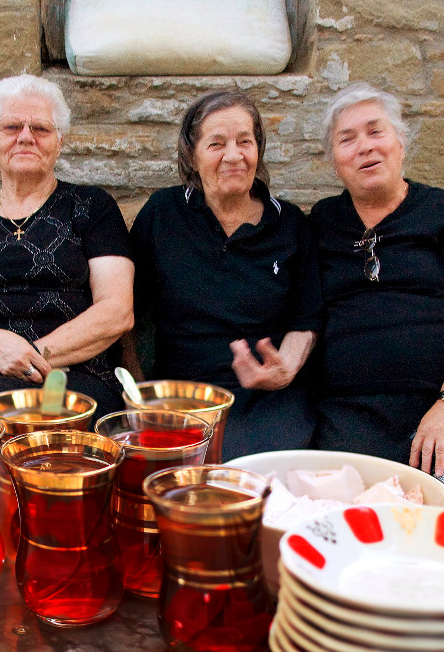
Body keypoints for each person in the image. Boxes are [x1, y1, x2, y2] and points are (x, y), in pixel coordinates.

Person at [309, 82, 444, 525]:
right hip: (353, 409)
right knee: (356, 518)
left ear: (400, 141)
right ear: (334, 161)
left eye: (376, 132)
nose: (364, 147)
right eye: (347, 140)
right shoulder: (322, 223)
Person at [0, 74, 133, 414]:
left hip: (70, 373)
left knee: (51, 414)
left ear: (59, 141)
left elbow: (116, 311)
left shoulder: (92, 207)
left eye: (41, 129)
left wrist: (23, 356)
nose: (25, 138)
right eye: (11, 127)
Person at [129, 91, 322, 460]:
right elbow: (126, 315)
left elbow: (308, 317)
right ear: (192, 154)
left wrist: (287, 366)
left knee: (256, 478)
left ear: (258, 150)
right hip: (182, 396)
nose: (233, 156)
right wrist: (138, 390)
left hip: (268, 398)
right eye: (216, 143)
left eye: (244, 142)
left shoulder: (290, 224)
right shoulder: (163, 214)